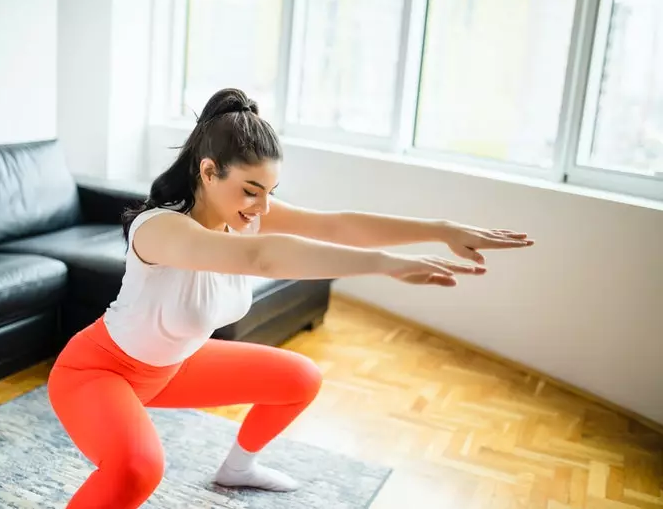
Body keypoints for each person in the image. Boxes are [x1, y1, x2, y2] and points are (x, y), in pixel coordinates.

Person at [46, 87, 534, 508]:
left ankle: (238, 468)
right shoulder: (161, 229)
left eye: (271, 192)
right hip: (99, 371)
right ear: (209, 171)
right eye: (251, 190)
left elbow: (337, 224)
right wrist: (385, 265)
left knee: (299, 377)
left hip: (172, 367)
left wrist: (439, 229)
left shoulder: (247, 213)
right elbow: (262, 259)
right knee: (137, 469)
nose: (262, 206)